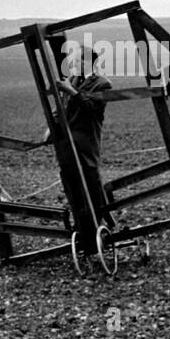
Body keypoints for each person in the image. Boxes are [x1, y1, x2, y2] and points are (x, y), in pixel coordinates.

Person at [51, 64, 113, 227]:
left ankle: (97, 225)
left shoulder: (102, 84)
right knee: (71, 183)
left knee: (91, 183)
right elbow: (61, 106)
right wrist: (52, 126)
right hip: (66, 142)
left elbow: (92, 109)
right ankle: (81, 226)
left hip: (85, 142)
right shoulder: (72, 80)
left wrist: (71, 91)